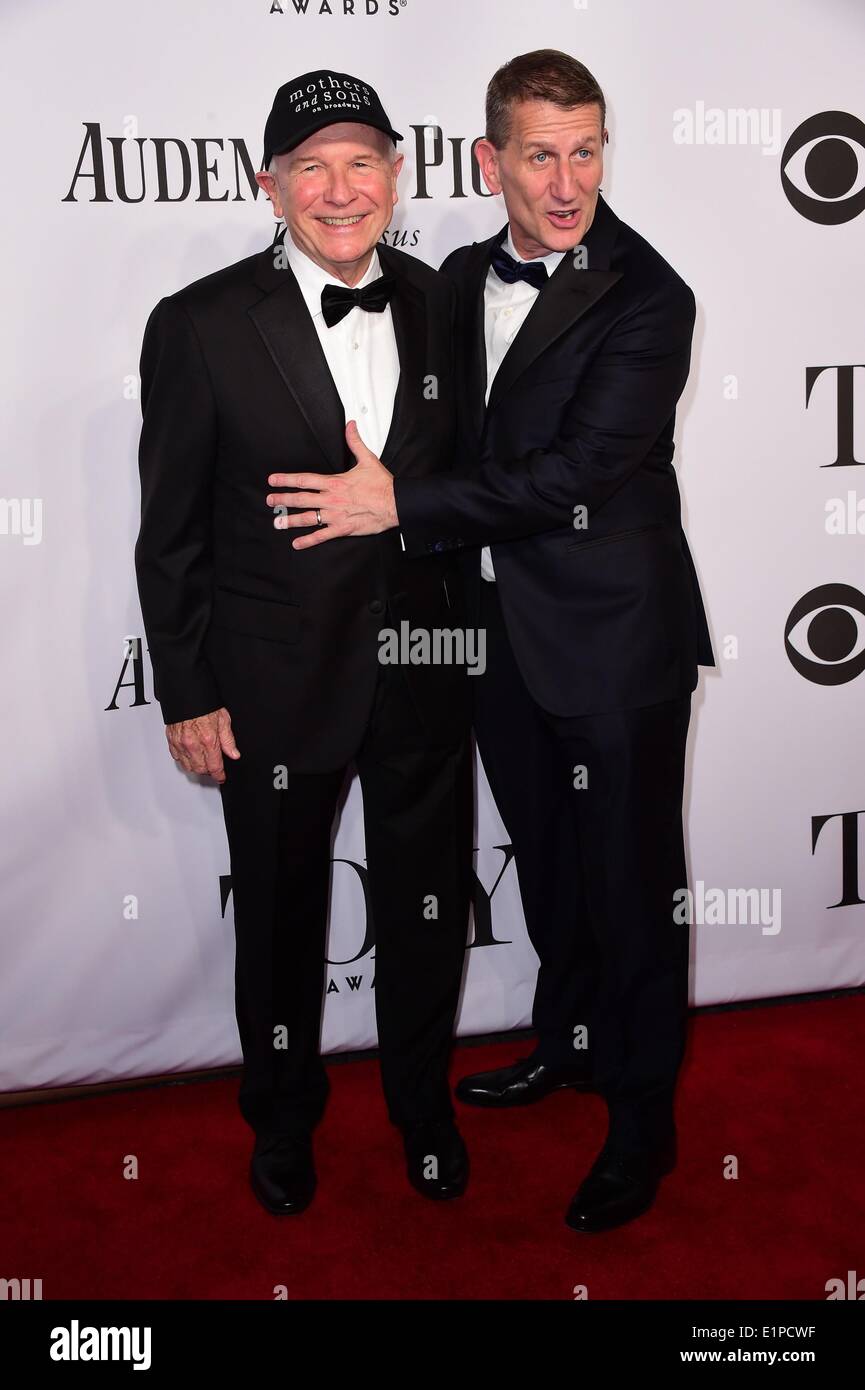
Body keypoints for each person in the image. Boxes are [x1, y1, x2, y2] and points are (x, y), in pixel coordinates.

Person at [265, 50, 714, 1233]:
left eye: (587, 150)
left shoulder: (650, 296)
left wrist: (394, 506)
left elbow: (568, 475)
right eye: (539, 153)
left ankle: (642, 1125)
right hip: (494, 640)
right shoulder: (456, 277)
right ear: (488, 159)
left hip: (613, 644)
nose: (567, 182)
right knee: (555, 869)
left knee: (631, 886)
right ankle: (566, 1046)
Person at [135, 69, 474, 1216]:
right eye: (312, 166)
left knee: (429, 906)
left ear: (396, 172)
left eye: (362, 160)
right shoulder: (197, 324)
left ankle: (422, 1110)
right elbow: (170, 530)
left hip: (427, 667)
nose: (341, 189)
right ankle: (281, 1122)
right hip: (274, 680)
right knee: (281, 924)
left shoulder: (443, 304)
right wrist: (187, 687)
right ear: (269, 185)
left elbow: (473, 488)